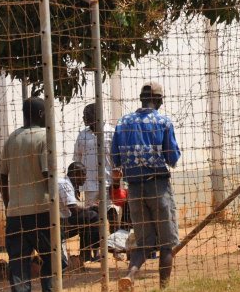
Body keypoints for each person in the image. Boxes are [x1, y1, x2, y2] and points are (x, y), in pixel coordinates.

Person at [111, 82, 181, 291]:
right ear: (159, 100)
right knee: (167, 242)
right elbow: (172, 158)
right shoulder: (163, 122)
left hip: (134, 189)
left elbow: (115, 158)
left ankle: (131, 275)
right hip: (158, 186)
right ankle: (163, 287)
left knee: (143, 241)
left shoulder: (123, 123)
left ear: (141, 99)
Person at [0, 97, 53, 292]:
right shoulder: (45, 137)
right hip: (42, 210)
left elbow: (2, 177)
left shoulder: (11, 138)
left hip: (16, 213)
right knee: (55, 259)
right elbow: (48, 175)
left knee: (18, 265)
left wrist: (8, 205)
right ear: (41, 114)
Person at [72, 103, 114, 208]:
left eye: (87, 115)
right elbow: (77, 160)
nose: (83, 118)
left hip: (108, 183)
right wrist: (76, 184)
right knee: (91, 216)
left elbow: (116, 159)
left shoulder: (111, 132)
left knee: (110, 213)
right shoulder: (82, 135)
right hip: (89, 185)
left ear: (96, 115)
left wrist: (116, 182)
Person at [58, 162, 100, 263]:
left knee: (91, 213)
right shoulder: (65, 184)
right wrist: (88, 208)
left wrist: (89, 208)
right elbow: (74, 209)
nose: (85, 178)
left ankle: (89, 253)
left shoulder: (69, 183)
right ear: (75, 174)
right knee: (92, 216)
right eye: (83, 174)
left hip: (63, 219)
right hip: (59, 222)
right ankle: (90, 251)